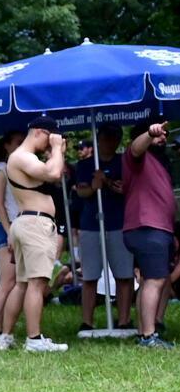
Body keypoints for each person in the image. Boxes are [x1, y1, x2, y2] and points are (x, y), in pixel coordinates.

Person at [3, 120, 69, 352]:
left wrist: (55, 152)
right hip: (35, 223)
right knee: (37, 282)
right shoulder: (23, 156)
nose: (50, 143)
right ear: (41, 132)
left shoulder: (22, 158)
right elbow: (53, 173)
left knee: (21, 283)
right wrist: (58, 149)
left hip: (26, 222)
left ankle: (6, 337)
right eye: (49, 137)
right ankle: (34, 339)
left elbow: (53, 173)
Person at [71, 125, 134, 332]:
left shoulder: (124, 163)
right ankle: (87, 322)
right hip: (91, 225)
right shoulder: (86, 165)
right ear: (99, 139)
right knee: (89, 276)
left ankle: (124, 320)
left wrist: (121, 188)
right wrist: (94, 186)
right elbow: (81, 192)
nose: (110, 141)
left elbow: (132, 189)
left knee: (124, 275)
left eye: (115, 137)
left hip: (119, 224)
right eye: (106, 137)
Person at [122, 119, 176, 350]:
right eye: (159, 134)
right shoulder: (138, 157)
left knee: (149, 281)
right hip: (147, 227)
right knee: (154, 281)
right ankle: (148, 336)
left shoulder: (158, 162)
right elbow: (135, 147)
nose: (163, 138)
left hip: (155, 228)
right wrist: (149, 133)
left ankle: (144, 331)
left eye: (164, 134)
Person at [0, 132, 27, 347]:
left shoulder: (11, 168)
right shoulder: (2, 169)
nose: (21, 146)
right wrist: (10, 230)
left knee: (10, 282)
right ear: (7, 145)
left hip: (10, 226)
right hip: (6, 226)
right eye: (18, 142)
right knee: (7, 282)